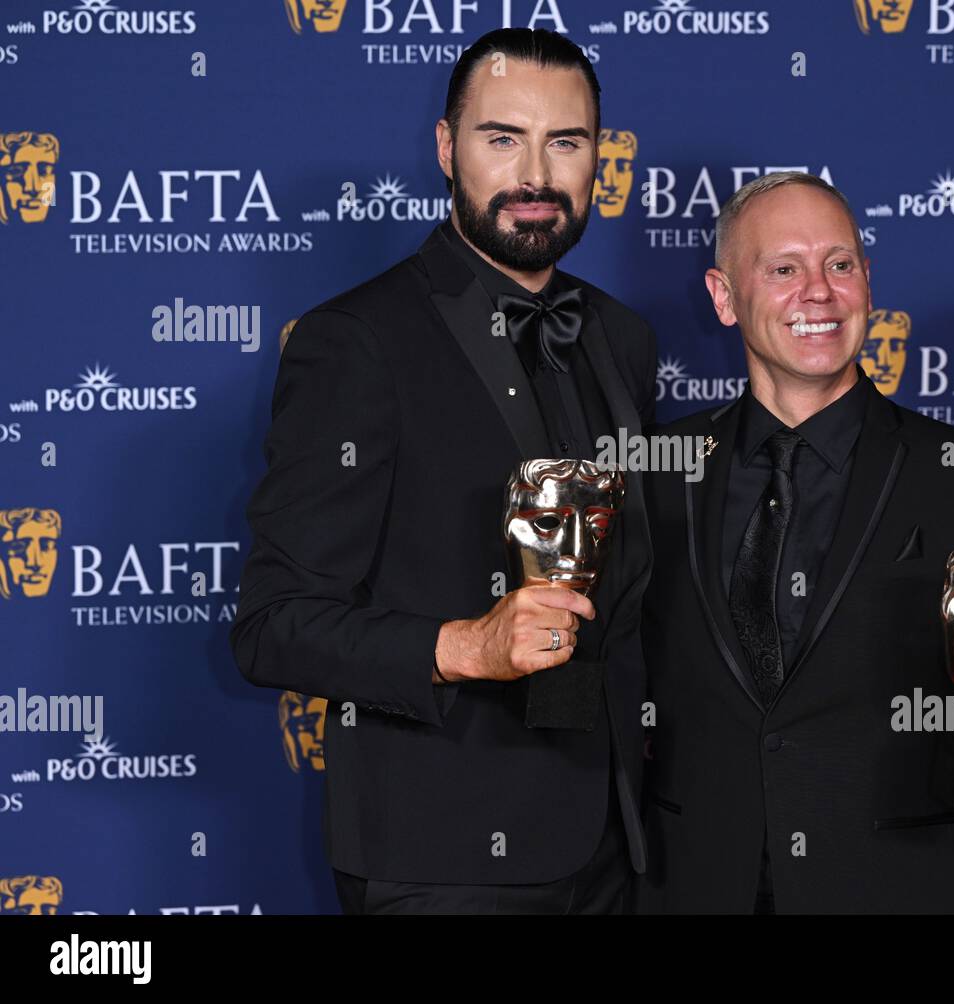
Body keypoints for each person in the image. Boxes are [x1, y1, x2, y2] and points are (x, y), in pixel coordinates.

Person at [231, 28, 657, 915]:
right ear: (444, 148)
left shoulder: (623, 338)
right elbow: (273, 626)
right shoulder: (355, 342)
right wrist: (467, 645)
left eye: (565, 142)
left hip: (622, 849)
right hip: (444, 862)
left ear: (599, 160)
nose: (536, 174)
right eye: (502, 138)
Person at [636, 171, 954, 913]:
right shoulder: (656, 472)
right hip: (686, 890)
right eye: (783, 269)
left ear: (868, 282)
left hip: (899, 891)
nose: (818, 291)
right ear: (723, 296)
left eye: (839, 264)